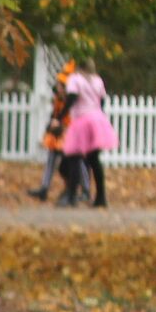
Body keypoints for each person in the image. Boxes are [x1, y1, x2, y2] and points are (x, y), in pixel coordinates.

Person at [57, 60, 116, 209]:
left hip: (81, 119)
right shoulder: (98, 80)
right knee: (94, 159)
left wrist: (60, 117)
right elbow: (102, 100)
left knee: (74, 158)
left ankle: (71, 196)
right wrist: (97, 111)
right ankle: (101, 197)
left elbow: (72, 98)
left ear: (78, 68)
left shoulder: (75, 79)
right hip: (97, 119)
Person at [28, 59, 88, 202]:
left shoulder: (71, 102)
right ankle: (44, 187)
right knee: (51, 157)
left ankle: (85, 189)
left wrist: (60, 124)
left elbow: (69, 117)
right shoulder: (58, 99)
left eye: (61, 85)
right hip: (59, 133)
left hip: (69, 132)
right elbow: (55, 114)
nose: (58, 87)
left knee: (77, 161)